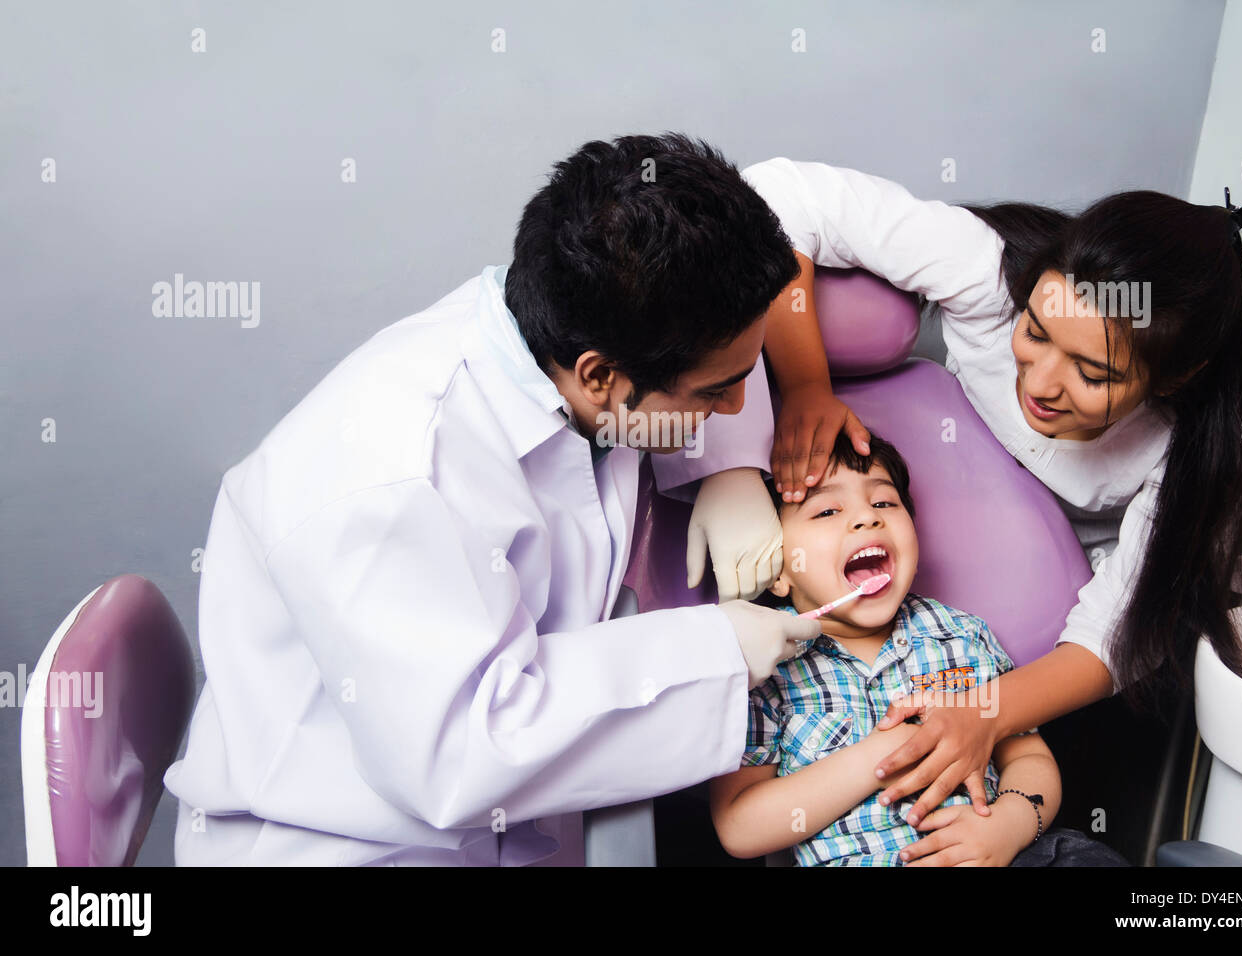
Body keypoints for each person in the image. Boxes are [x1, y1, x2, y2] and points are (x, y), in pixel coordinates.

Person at [163, 133, 820, 866]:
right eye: (715, 394)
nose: (736, 407)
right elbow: (461, 754)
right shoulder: (398, 475)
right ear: (600, 376)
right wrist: (716, 649)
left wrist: (729, 468)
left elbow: (709, 332)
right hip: (344, 845)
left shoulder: (579, 328)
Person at [731, 157, 1242, 825]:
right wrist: (807, 383)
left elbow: (1117, 632)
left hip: (1050, 599)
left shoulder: (1183, 454)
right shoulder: (988, 277)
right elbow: (779, 193)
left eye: (1091, 373)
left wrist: (985, 716)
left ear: (1173, 377)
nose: (1041, 384)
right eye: (1038, 334)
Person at [709, 430, 1127, 866]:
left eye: (885, 503)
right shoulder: (764, 669)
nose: (867, 519)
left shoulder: (961, 636)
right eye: (828, 510)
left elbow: (1028, 757)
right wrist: (880, 753)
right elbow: (740, 827)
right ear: (777, 569)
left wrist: (1011, 823)